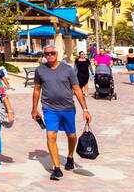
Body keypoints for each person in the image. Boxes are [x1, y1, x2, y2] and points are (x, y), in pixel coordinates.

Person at [32, 42, 91, 180]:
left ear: (57, 54)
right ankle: (57, 168)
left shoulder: (68, 69)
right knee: (51, 135)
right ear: (44, 55)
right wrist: (34, 109)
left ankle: (70, 156)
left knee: (71, 136)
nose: (50, 55)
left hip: (67, 108)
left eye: (52, 53)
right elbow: (36, 89)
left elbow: (77, 89)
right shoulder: (40, 70)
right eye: (47, 53)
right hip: (49, 109)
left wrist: (85, 109)